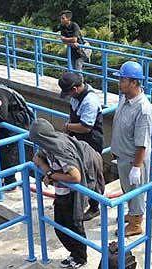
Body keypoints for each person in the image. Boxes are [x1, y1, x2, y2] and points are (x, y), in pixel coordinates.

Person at [28, 118, 104, 269]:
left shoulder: (59, 149)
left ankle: (80, 257)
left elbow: (76, 177)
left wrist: (51, 174)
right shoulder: (48, 145)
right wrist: (46, 168)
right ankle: (74, 253)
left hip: (72, 192)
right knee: (60, 226)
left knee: (74, 224)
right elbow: (37, 158)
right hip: (61, 191)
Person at [110, 61, 152, 237]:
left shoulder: (143, 110)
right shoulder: (124, 98)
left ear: (134, 82)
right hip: (122, 156)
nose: (119, 82)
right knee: (127, 189)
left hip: (133, 159)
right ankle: (132, 213)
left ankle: (136, 223)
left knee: (136, 192)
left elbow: (142, 143)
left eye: (123, 79)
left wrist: (137, 167)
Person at [58, 71, 104, 220]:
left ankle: (95, 206)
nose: (69, 96)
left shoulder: (89, 101)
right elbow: (73, 116)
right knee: (78, 171)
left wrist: (68, 127)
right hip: (78, 141)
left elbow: (86, 127)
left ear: (75, 89)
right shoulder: (76, 97)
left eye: (69, 93)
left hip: (91, 143)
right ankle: (78, 202)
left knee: (92, 174)